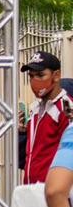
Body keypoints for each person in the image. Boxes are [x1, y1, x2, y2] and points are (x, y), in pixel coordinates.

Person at [21, 51, 73, 184]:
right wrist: (22, 133)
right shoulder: (35, 109)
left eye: (40, 75)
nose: (34, 81)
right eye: (31, 76)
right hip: (32, 189)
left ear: (56, 76)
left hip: (53, 190)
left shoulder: (66, 108)